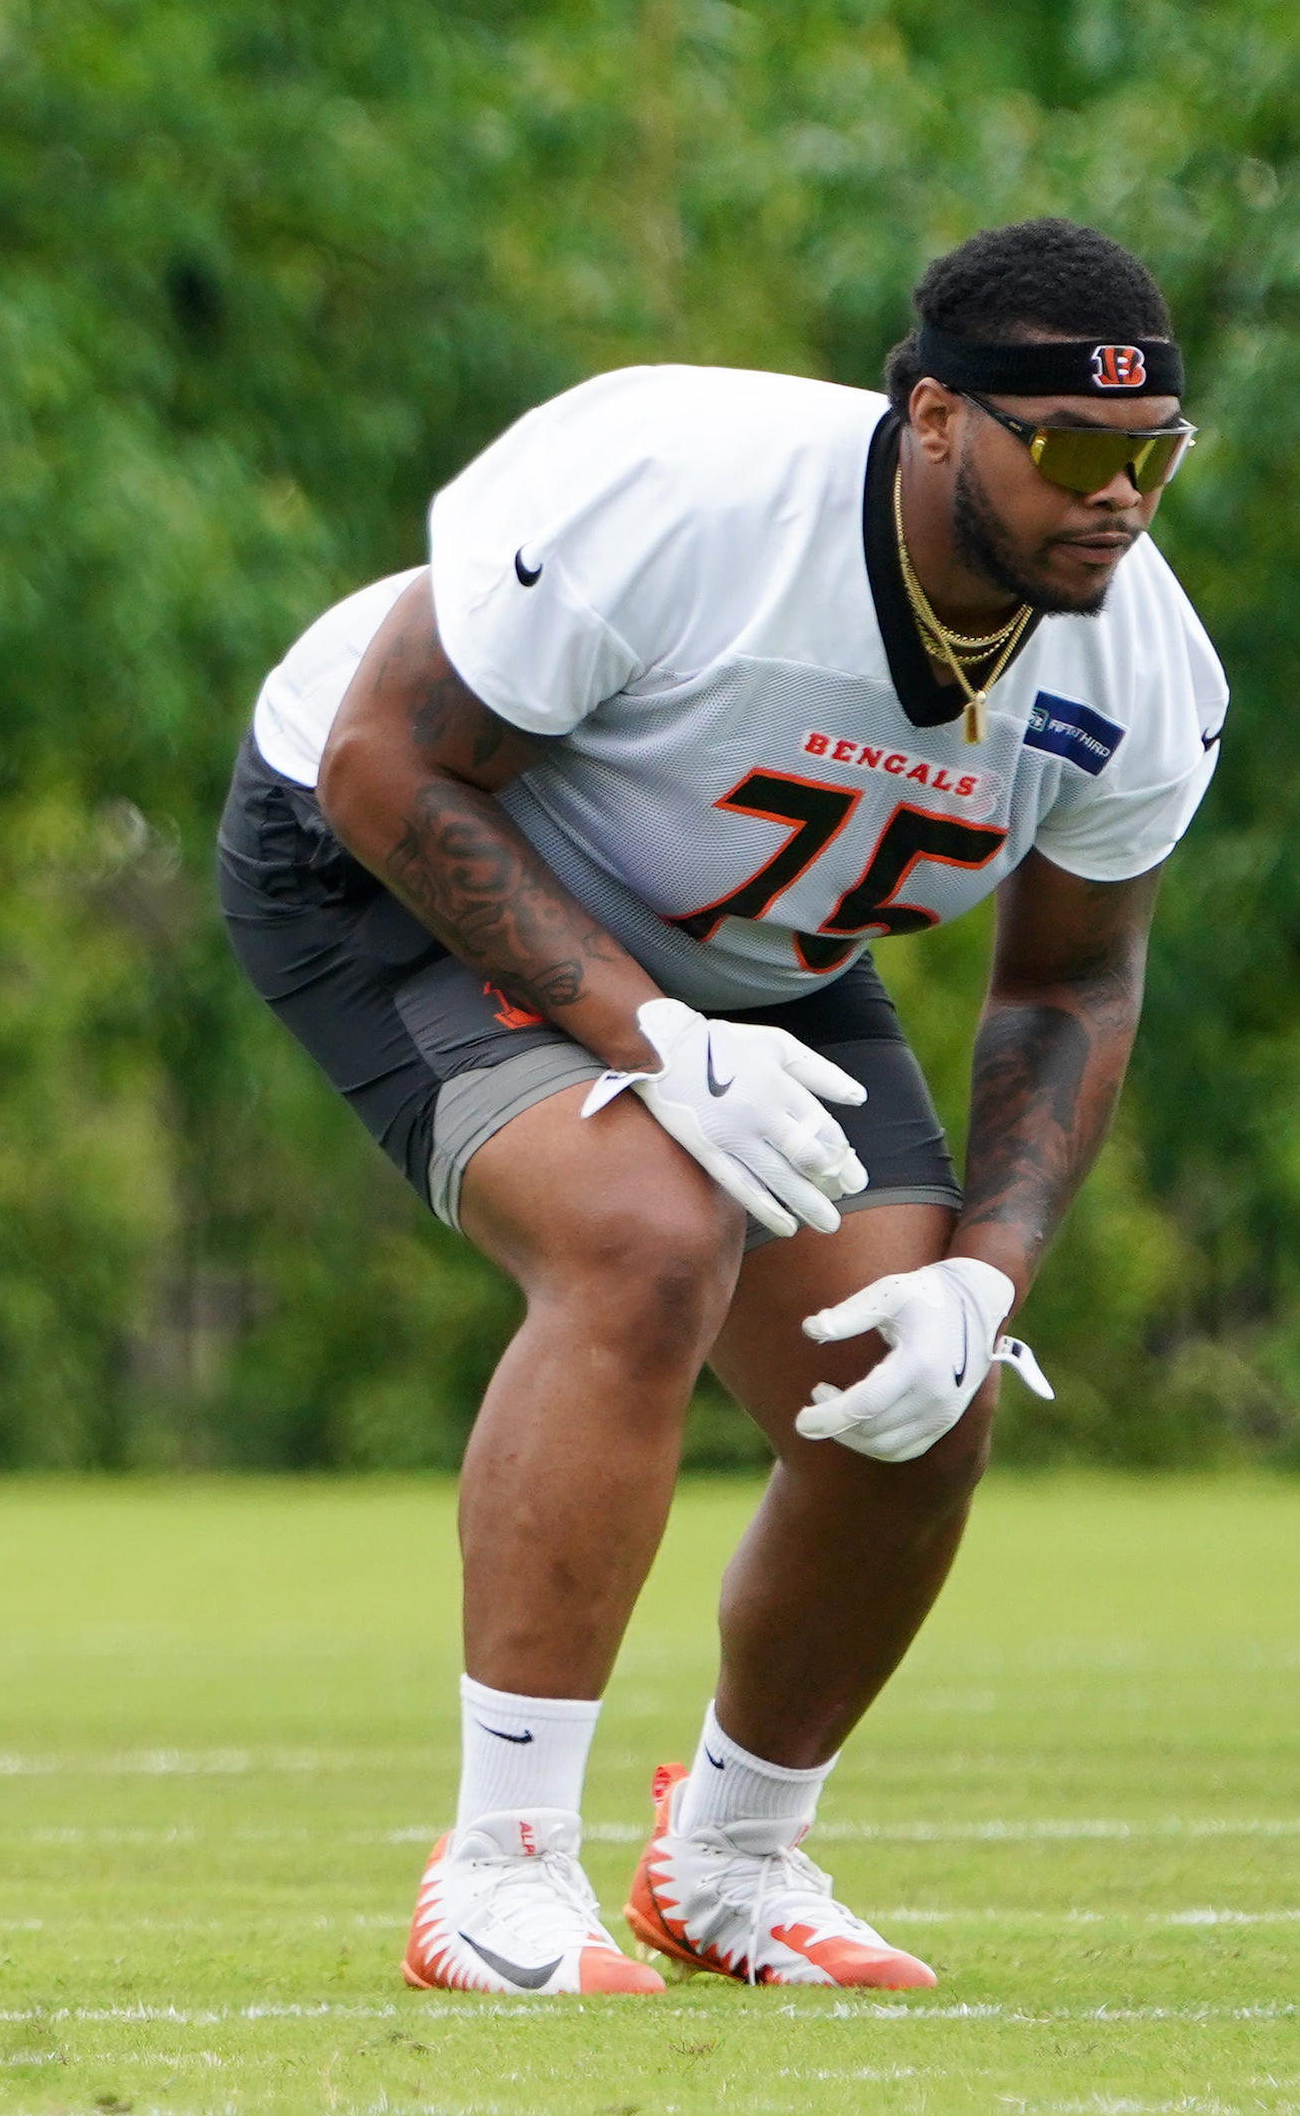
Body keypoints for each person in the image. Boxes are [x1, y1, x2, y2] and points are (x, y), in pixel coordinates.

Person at [221, 219, 1220, 1996]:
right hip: (394, 852)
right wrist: (653, 1042)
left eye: (1150, 454)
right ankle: (500, 1868)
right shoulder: (677, 485)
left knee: (913, 1392)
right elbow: (386, 762)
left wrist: (985, 1278)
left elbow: (1067, 986)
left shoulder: (1136, 665)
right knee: (641, 1234)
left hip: (744, 950)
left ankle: (730, 1862)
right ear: (929, 422)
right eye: (1066, 447)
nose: (1116, 498)